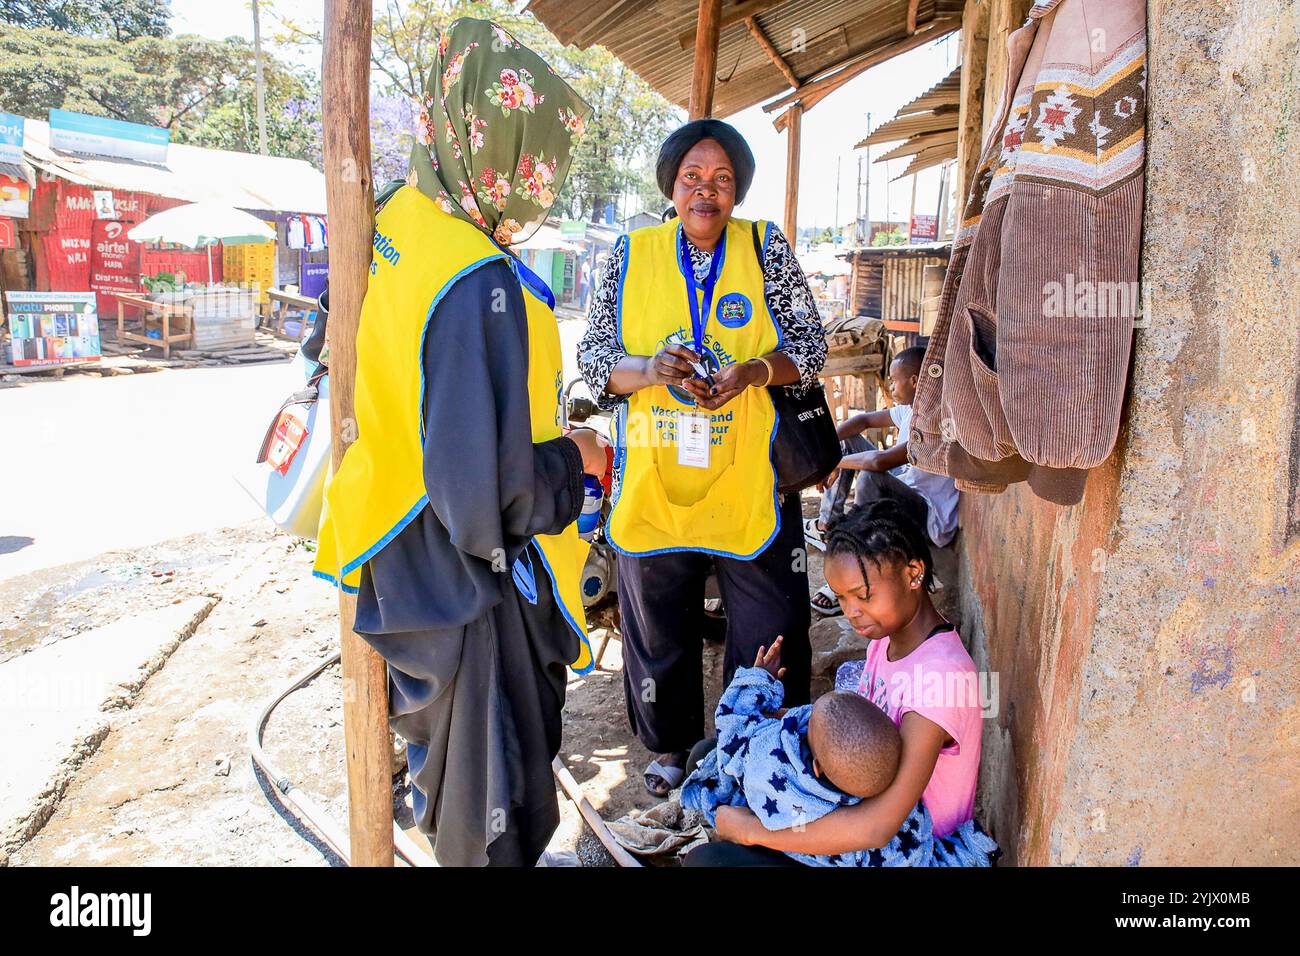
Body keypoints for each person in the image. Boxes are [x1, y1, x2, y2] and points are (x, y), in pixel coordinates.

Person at [312, 19, 604, 867]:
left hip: (402, 547)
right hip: (461, 573)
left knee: (452, 782)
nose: (542, 188)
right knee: (494, 801)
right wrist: (574, 463)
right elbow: (489, 503)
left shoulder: (404, 216)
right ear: (502, 148)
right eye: (540, 161)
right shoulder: (480, 280)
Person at [577, 118, 828, 797]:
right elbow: (595, 360)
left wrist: (750, 373)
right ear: (671, 184)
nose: (706, 193)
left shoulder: (765, 246)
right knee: (658, 622)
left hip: (750, 478)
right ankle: (670, 747)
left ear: (737, 190)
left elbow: (810, 347)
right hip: (655, 476)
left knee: (771, 622)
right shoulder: (630, 252)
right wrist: (649, 368)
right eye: (693, 178)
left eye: (721, 181)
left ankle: (753, 744)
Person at [709, 501, 984, 859]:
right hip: (863, 811)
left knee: (715, 857)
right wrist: (776, 714)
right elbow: (855, 735)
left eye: (863, 595)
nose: (852, 612)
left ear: (913, 574)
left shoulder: (939, 682)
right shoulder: (889, 639)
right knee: (711, 755)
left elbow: (877, 828)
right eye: (841, 597)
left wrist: (750, 832)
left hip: (906, 847)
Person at [807, 346, 960, 615]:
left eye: (893, 379)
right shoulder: (909, 410)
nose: (890, 385)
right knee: (848, 444)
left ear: (914, 381)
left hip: (928, 518)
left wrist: (833, 463)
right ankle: (828, 524)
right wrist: (827, 451)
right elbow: (863, 421)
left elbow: (881, 462)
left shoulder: (933, 420)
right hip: (905, 494)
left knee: (871, 475)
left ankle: (855, 556)